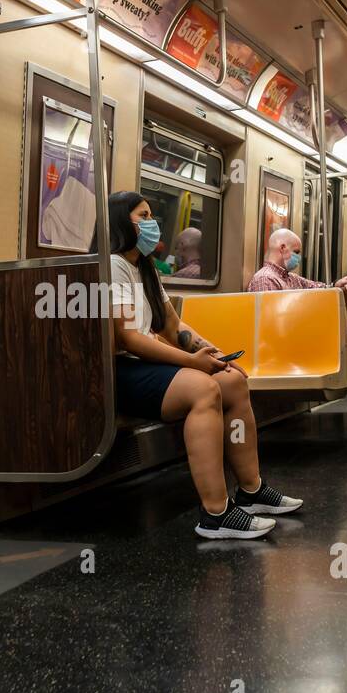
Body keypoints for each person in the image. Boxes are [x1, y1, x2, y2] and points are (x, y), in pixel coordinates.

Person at [107, 191, 302, 540]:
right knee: (204, 389)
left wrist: (215, 355)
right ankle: (215, 512)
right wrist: (194, 364)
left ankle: (251, 490)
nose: (152, 223)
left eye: (151, 215)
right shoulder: (114, 265)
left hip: (145, 365)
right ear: (121, 220)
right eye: (143, 216)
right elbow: (128, 338)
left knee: (233, 382)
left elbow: (173, 326)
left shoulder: (144, 268)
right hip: (121, 371)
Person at [247, 232, 347, 430]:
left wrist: (334, 286)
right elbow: (273, 328)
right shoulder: (266, 279)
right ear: (283, 248)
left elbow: (316, 288)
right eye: (296, 251)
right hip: (290, 345)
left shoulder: (290, 278)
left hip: (306, 335)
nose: (299, 257)